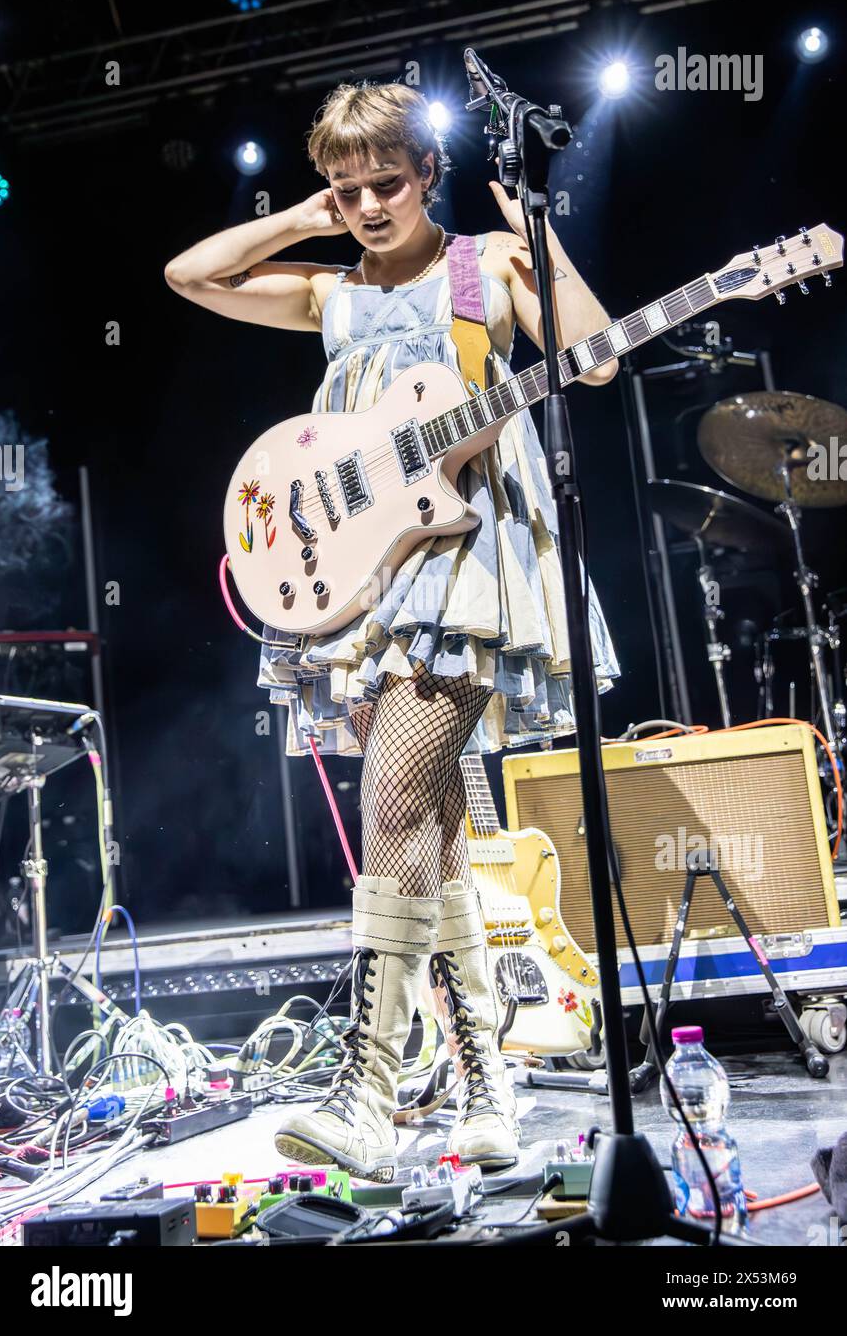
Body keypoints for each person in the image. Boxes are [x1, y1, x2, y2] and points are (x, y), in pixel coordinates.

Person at [165, 80, 620, 1182]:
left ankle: (368, 1089)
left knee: (391, 797)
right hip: (365, 572)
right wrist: (298, 220)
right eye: (345, 188)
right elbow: (188, 276)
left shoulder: (485, 268)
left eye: (386, 183)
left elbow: (597, 355)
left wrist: (533, 232)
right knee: (430, 823)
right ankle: (484, 1086)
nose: (367, 204)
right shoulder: (328, 290)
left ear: (428, 175)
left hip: (465, 560)